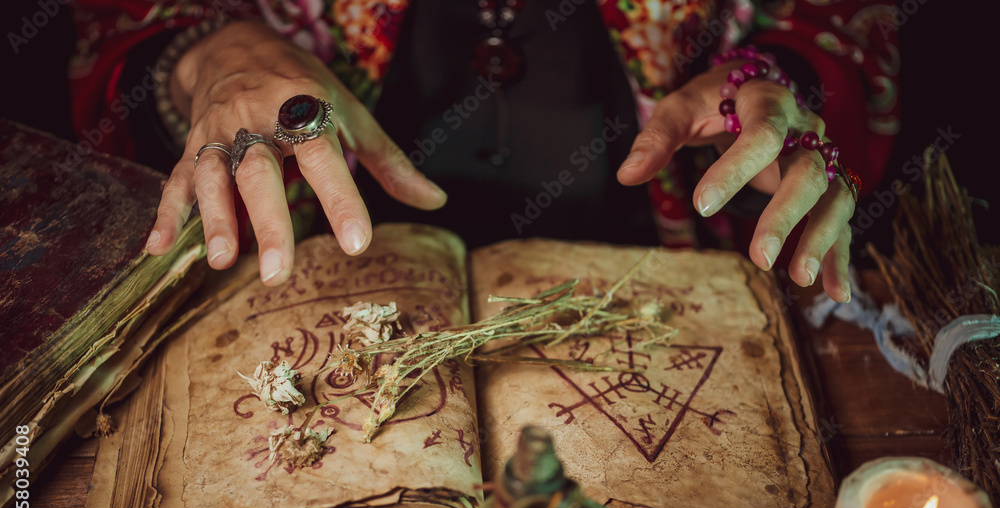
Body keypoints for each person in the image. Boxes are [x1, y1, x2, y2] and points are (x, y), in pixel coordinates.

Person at [67, 0, 900, 304]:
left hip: (653, 290)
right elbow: (118, 23)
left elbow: (838, 27)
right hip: (309, 294)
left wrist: (779, 84)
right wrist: (215, 59)